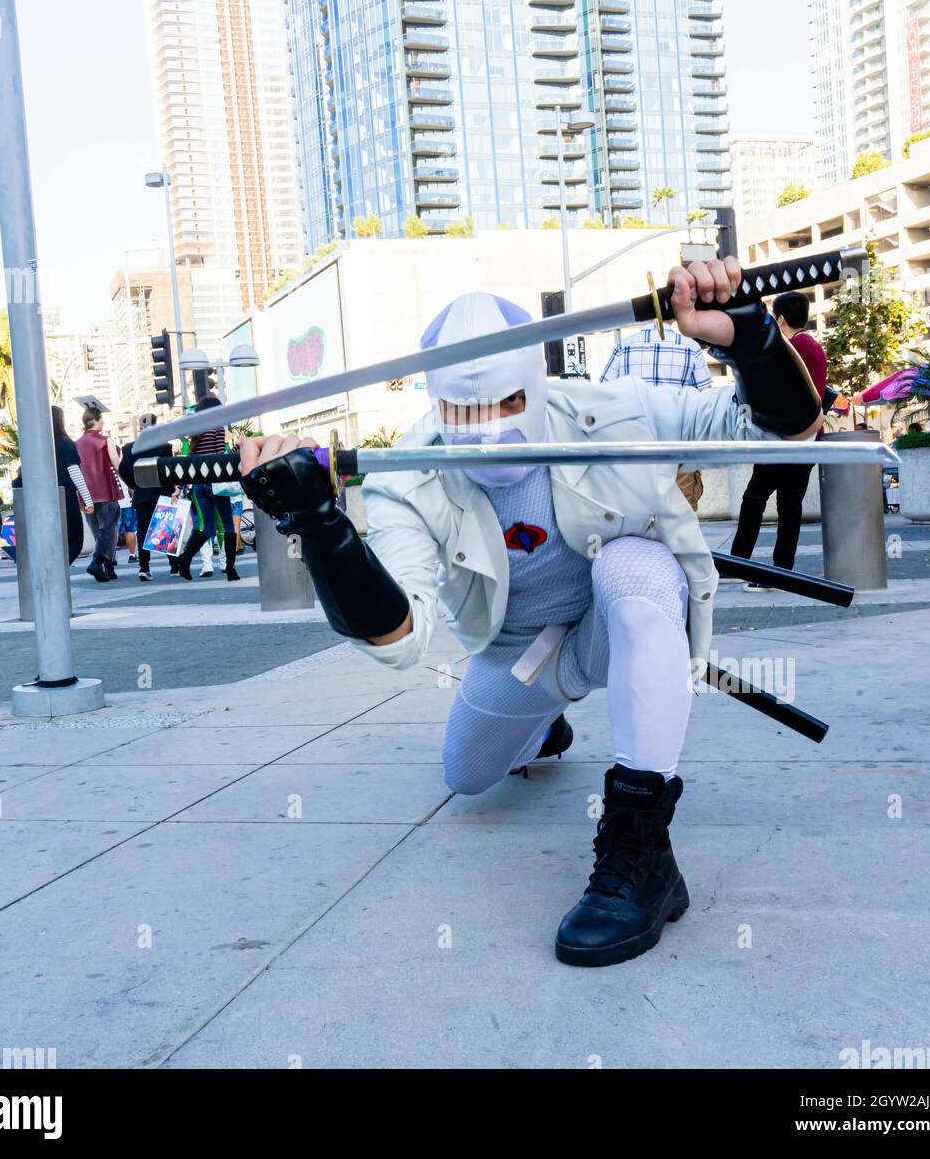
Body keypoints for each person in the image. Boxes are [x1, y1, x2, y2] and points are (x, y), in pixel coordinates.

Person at [237, 258, 823, 969]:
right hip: (520, 652)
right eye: (462, 412)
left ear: (537, 384)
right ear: (435, 401)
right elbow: (398, 639)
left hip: (616, 619)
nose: (486, 430)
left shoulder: (612, 409)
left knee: (633, 562)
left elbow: (784, 432)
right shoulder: (409, 474)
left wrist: (751, 339)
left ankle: (641, 850)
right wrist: (318, 524)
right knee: (466, 778)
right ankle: (542, 727)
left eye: (508, 401)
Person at [729, 290, 827, 587]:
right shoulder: (814, 347)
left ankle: (737, 562)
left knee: (754, 499)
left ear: (780, 319)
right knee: (789, 506)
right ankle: (782, 569)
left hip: (784, 440)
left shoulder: (789, 348)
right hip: (809, 441)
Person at [601, 320, 713, 510]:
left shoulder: (623, 346)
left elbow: (605, 393)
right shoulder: (691, 347)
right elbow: (706, 400)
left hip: (636, 444)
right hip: (679, 444)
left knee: (637, 510)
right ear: (673, 316)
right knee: (682, 511)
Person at [175, 395, 240, 582]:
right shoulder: (217, 429)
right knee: (228, 525)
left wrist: (179, 487)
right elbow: (220, 457)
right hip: (216, 484)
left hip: (199, 487)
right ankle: (230, 570)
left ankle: (185, 558)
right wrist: (238, 447)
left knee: (208, 528)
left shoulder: (197, 433)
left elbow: (189, 462)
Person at [118, 416, 173, 582]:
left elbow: (122, 470)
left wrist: (134, 484)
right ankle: (174, 565)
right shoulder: (164, 447)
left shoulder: (129, 449)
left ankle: (144, 567)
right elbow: (168, 470)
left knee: (143, 531)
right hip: (162, 493)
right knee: (165, 529)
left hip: (142, 494)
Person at [75, 406, 123, 583]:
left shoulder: (76, 443)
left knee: (98, 532)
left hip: (85, 494)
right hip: (106, 491)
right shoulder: (105, 440)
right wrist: (129, 483)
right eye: (101, 418)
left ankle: (107, 568)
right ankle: (99, 563)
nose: (103, 421)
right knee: (109, 529)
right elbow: (116, 464)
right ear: (95, 420)